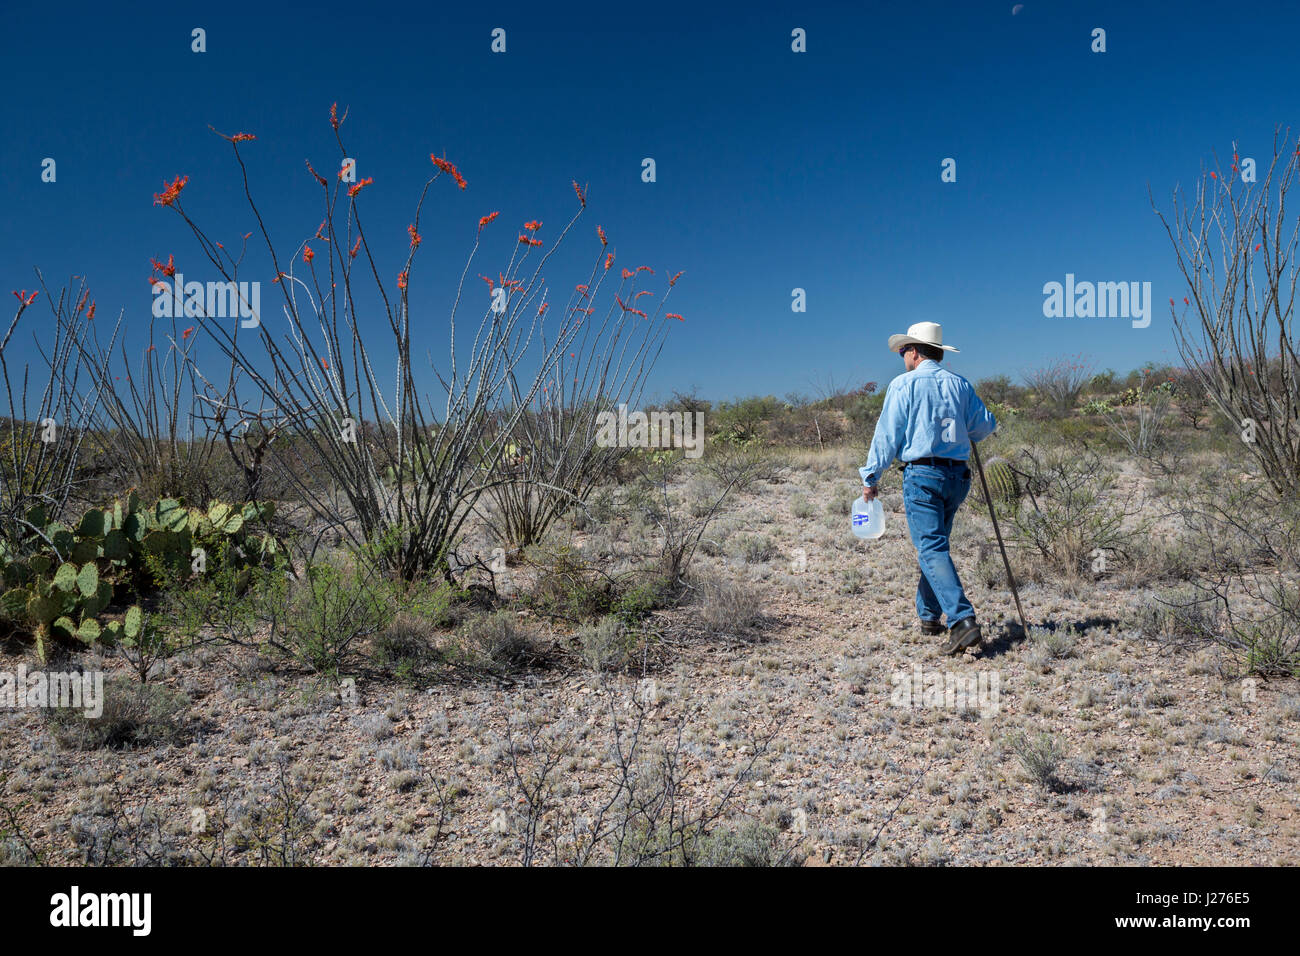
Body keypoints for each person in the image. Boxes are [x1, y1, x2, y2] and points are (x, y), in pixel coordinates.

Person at [860, 322, 997, 655]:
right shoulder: (961, 385)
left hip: (922, 476)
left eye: (904, 350)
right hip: (957, 478)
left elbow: (888, 434)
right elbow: (986, 425)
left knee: (931, 548)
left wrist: (871, 476)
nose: (902, 356)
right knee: (936, 545)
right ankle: (928, 616)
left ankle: (962, 620)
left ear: (914, 351)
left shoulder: (904, 385)